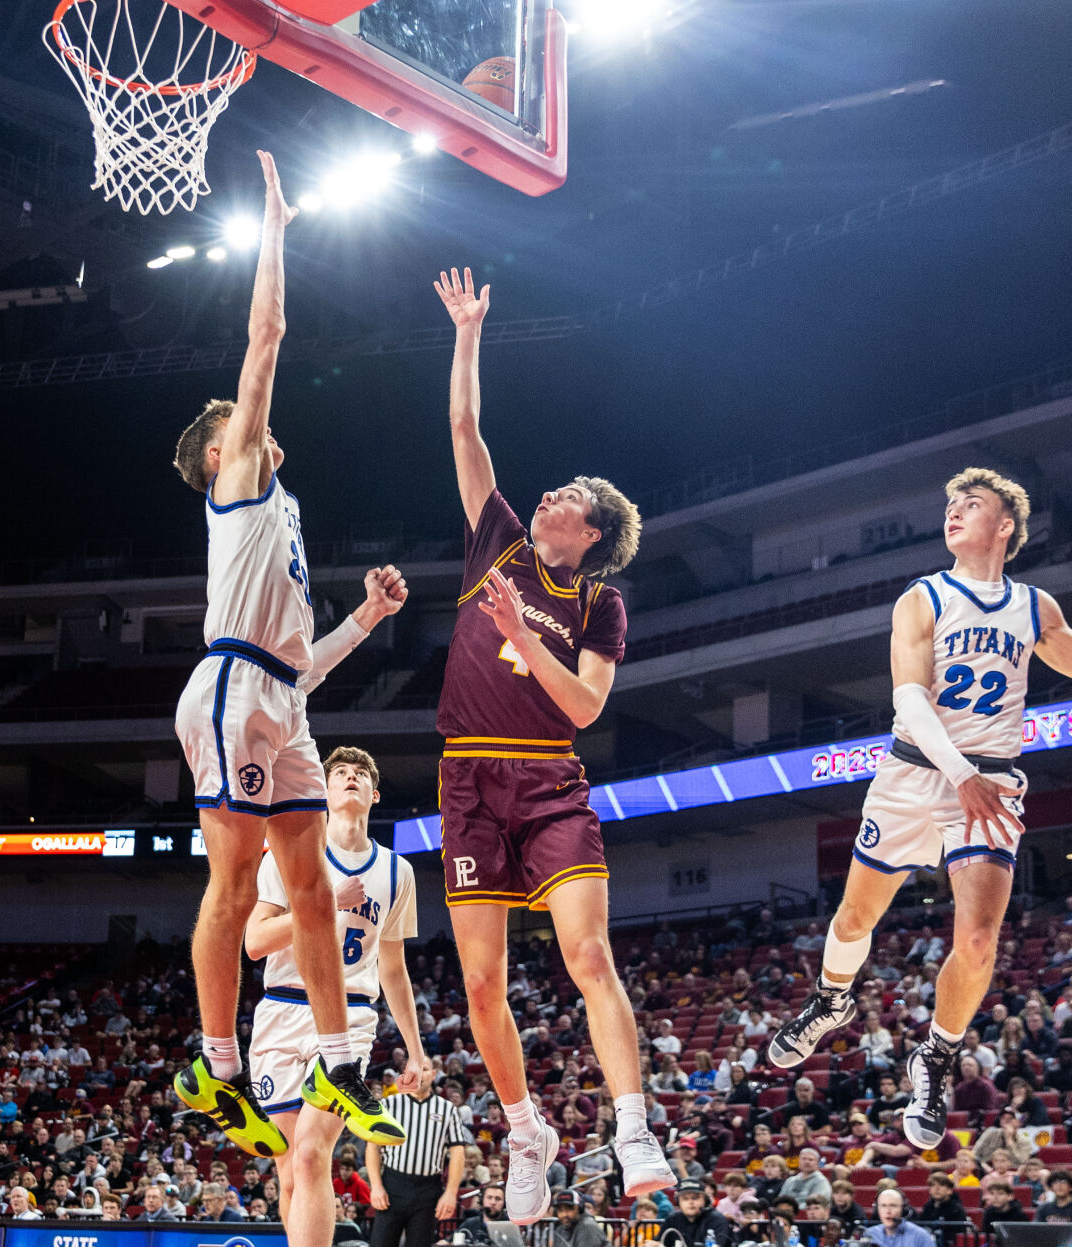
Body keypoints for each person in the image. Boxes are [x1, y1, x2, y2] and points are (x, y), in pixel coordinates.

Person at [765, 467, 1072, 1151]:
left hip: (991, 783)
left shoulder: (1034, 608)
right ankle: (832, 1000)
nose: (953, 512)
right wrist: (958, 770)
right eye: (949, 503)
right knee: (855, 914)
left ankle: (935, 1056)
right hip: (918, 772)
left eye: (970, 504)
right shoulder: (923, 597)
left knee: (977, 940)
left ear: (1005, 525)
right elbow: (909, 700)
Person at [169, 150, 405, 1158]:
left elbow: (300, 664)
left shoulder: (281, 510)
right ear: (219, 454)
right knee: (232, 883)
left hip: (279, 694)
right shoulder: (239, 485)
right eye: (240, 425)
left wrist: (362, 621)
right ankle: (214, 1064)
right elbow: (265, 335)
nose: (257, 425)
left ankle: (342, 1057)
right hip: (227, 686)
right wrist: (275, 226)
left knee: (305, 884)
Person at [431, 266, 671, 1218]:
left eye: (568, 496)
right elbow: (465, 432)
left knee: (588, 959)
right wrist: (467, 333)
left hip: (550, 781)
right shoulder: (494, 539)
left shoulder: (599, 602)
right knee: (482, 981)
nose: (547, 498)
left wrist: (526, 640)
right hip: (464, 780)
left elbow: (584, 709)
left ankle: (632, 1127)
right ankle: (527, 1126)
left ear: (595, 528)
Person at [244, 746, 426, 1247]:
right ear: (324, 791)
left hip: (348, 1018)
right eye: (340, 773)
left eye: (360, 774)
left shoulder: (397, 872)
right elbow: (255, 942)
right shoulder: (290, 855)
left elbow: (393, 966)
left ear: (374, 794)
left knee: (311, 1153)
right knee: (287, 1170)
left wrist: (415, 1047)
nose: (350, 778)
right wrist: (321, 903)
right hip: (282, 1009)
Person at [367, 1076, 470, 1247]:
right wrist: (376, 1186)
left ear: (434, 1073)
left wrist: (451, 1193)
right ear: (406, 1073)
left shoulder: (447, 1108)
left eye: (425, 1069)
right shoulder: (389, 1104)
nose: (420, 1075)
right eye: (416, 1070)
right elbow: (372, 1147)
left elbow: (458, 1153)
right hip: (392, 1185)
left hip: (428, 1189)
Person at [867, 1189, 937, 1247]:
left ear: (903, 1209)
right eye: (883, 1205)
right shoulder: (869, 1235)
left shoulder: (921, 1236)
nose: (887, 1211)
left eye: (893, 1206)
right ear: (877, 1209)